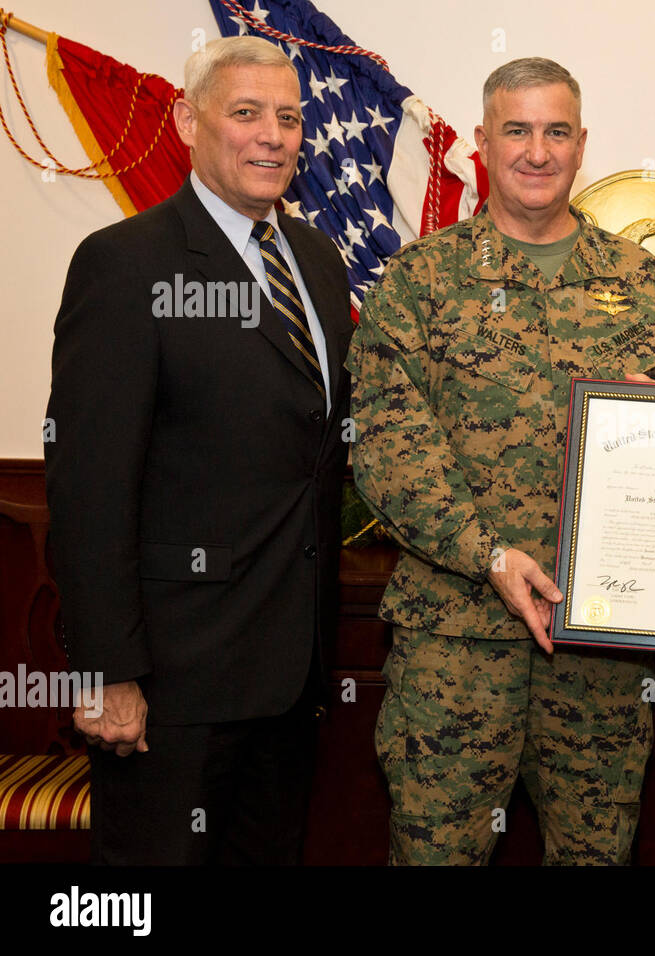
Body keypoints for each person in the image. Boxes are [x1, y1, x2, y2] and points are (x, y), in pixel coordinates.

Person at [347, 57, 655, 865]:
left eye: (556, 132)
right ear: (482, 141)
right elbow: (387, 446)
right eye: (517, 130)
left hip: (603, 652)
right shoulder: (422, 283)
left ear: (582, 144)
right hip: (456, 645)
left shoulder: (643, 285)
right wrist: (489, 555)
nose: (537, 151)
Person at [44, 36, 352, 864]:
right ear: (187, 120)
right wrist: (107, 672)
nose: (272, 136)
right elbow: (88, 488)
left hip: (293, 680)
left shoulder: (320, 265)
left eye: (289, 118)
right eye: (246, 112)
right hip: (172, 690)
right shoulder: (125, 265)